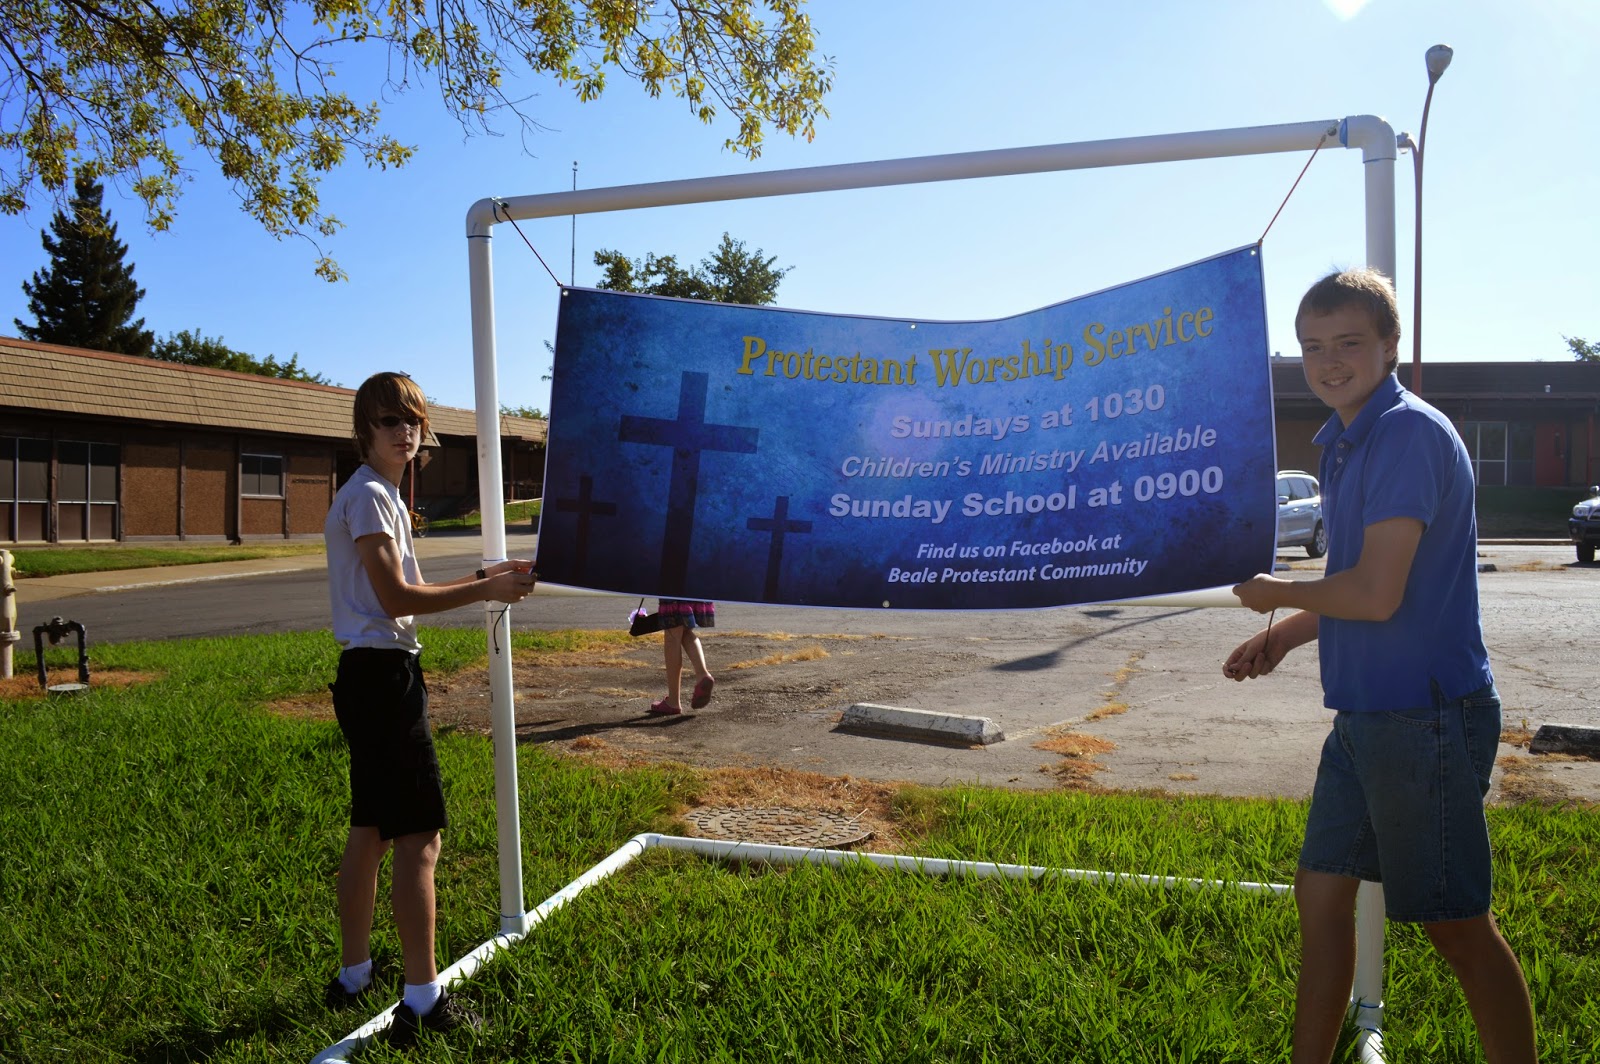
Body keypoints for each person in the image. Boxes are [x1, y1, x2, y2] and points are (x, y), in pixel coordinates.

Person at [1224, 269, 1537, 1064]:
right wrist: (1288, 634)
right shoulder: (1345, 439)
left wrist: (1272, 591)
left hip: (1426, 716)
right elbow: (1361, 585)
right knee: (1321, 896)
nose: (1329, 362)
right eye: (1313, 348)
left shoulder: (1407, 435)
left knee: (1455, 925)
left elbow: (1374, 592)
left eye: (1350, 344)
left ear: (1391, 346)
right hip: (1366, 715)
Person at [322, 371, 537, 1044]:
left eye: (412, 419)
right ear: (365, 431)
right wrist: (485, 593)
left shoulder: (374, 496)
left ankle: (354, 976)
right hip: (382, 679)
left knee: (372, 830)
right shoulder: (370, 498)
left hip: (369, 675)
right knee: (421, 840)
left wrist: (487, 577)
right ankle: (421, 1004)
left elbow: (405, 584)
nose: (404, 430)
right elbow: (397, 600)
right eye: (389, 420)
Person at [648, 599, 715, 715]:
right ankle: (702, 673)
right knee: (684, 630)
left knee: (672, 635)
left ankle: (673, 701)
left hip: (674, 588)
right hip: (692, 586)